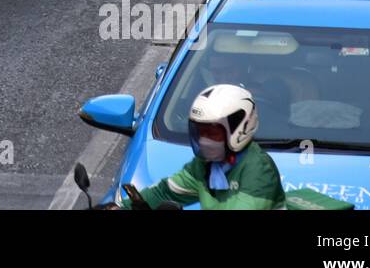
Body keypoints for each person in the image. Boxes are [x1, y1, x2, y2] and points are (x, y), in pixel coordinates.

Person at [118, 84, 285, 210]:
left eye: (213, 133)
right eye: (200, 132)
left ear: (239, 128)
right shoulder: (206, 165)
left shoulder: (259, 170)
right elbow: (164, 192)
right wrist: (121, 207)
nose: (204, 140)